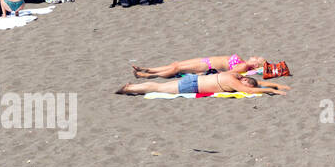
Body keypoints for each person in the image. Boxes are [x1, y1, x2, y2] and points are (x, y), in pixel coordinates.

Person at [116, 71, 289, 96]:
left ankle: (132, 86)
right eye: (246, 84)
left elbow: (257, 83)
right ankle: (128, 89)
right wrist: (273, 91)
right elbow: (251, 90)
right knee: (158, 88)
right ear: (244, 81)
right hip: (192, 86)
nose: (245, 86)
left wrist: (277, 85)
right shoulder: (233, 81)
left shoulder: (234, 75)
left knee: (160, 86)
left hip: (193, 79)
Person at [131, 55, 278, 80]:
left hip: (207, 65)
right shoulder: (244, 62)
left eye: (257, 58)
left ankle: (148, 75)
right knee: (176, 64)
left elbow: (230, 72)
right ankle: (148, 69)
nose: (254, 56)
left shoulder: (244, 65)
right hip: (206, 60)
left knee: (177, 69)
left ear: (255, 64)